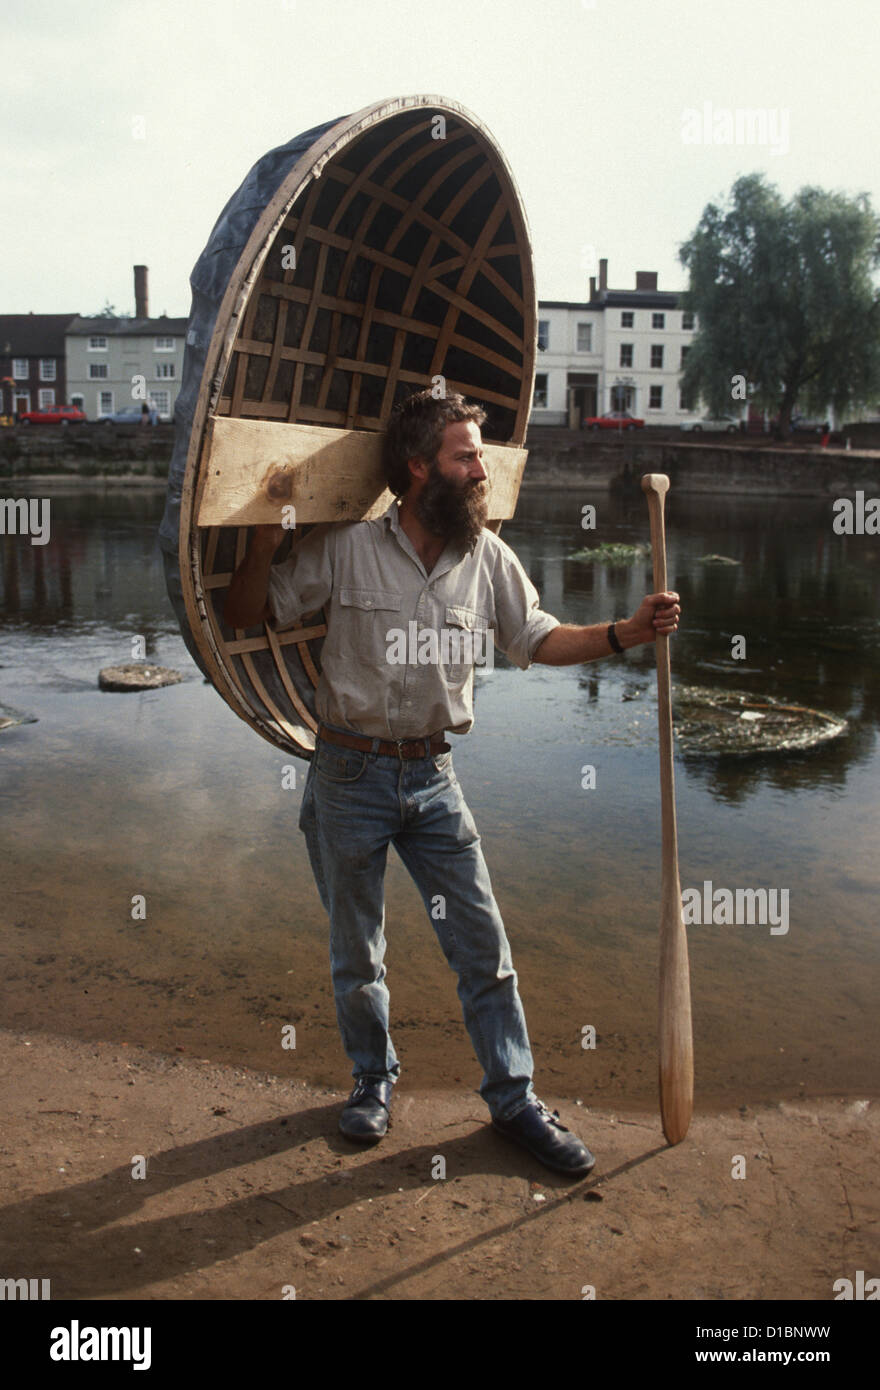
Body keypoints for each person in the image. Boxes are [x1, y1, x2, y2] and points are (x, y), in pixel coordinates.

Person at [225, 389, 680, 1178]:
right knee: (356, 954)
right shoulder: (349, 550)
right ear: (418, 470)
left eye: (481, 456)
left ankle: (514, 1100)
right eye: (466, 456)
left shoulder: (487, 559)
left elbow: (536, 640)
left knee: (484, 949)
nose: (481, 471)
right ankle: (373, 1081)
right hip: (348, 772)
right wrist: (264, 540)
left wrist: (625, 633)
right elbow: (245, 612)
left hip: (434, 777)